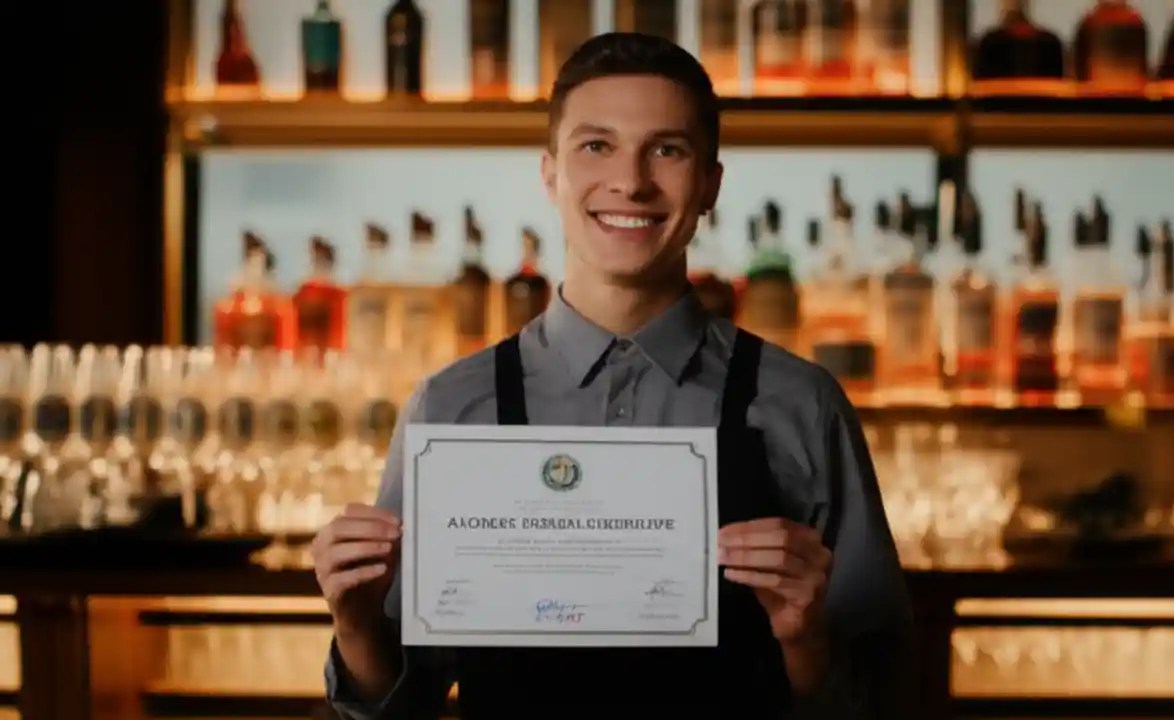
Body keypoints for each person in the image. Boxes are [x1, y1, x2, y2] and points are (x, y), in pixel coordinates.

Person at [314, 31, 915, 719]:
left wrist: (806, 640)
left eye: (667, 149)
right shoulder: (451, 408)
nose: (630, 180)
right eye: (596, 145)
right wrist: (356, 622)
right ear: (550, 174)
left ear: (711, 183)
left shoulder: (803, 405)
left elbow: (885, 698)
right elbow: (405, 704)